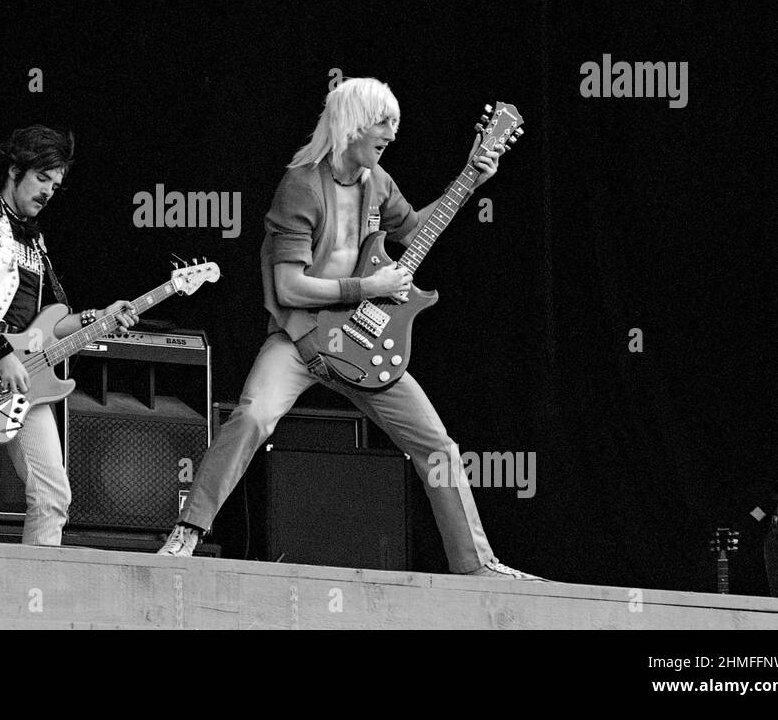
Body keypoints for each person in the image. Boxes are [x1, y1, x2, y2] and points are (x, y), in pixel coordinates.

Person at [158, 78, 542, 580]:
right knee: (252, 418)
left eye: (395, 123)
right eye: (384, 122)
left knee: (439, 446)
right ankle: (188, 532)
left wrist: (470, 179)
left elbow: (415, 230)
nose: (392, 133)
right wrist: (368, 286)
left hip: (364, 346)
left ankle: (477, 565)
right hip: (301, 339)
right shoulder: (300, 184)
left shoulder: (378, 182)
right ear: (352, 123)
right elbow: (290, 286)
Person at [0, 125, 140, 545]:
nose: (49, 191)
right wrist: (1, 352)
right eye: (42, 178)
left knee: (53, 495)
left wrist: (99, 317)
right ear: (15, 169)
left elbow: (44, 327)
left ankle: (35, 598)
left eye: (56, 184)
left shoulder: (35, 241)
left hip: (23, 374)